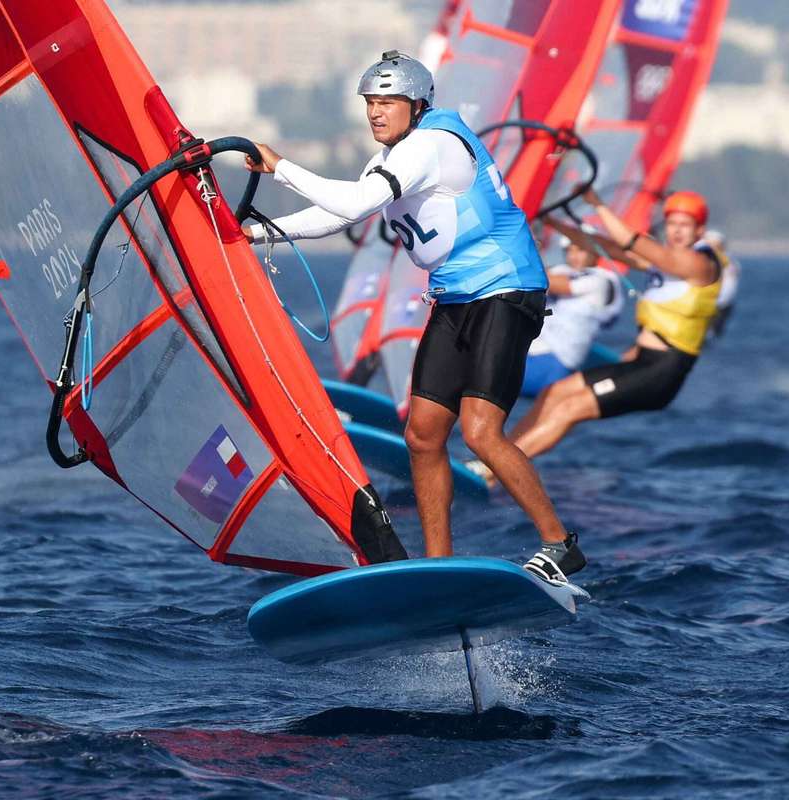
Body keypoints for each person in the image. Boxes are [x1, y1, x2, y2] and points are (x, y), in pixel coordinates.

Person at [240, 51, 585, 584]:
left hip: (506, 288)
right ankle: (439, 567)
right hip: (453, 298)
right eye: (370, 103)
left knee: (479, 432)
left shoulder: (431, 145)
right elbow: (337, 213)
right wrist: (254, 234)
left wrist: (278, 165)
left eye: (387, 102)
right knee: (422, 435)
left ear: (417, 104)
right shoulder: (395, 156)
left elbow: (355, 205)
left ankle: (559, 544)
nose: (376, 113)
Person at [505, 189, 721, 460]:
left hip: (662, 373)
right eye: (672, 224)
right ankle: (497, 457)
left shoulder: (698, 263)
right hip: (641, 362)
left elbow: (630, 241)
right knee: (555, 392)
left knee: (568, 409)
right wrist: (555, 224)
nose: (676, 232)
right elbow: (605, 247)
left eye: (685, 225)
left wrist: (598, 205)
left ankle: (496, 468)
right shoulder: (667, 260)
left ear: (700, 230)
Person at [520, 227, 623, 398]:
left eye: (580, 250)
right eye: (570, 250)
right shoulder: (562, 271)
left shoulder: (602, 281)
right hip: (531, 353)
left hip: (554, 363)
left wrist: (521, 252)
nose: (574, 256)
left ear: (595, 253)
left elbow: (543, 280)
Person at [703, 229, 740, 339]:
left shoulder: (724, 261)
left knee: (710, 337)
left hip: (717, 305)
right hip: (719, 304)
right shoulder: (730, 260)